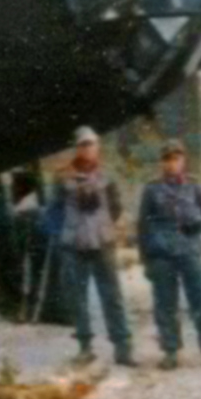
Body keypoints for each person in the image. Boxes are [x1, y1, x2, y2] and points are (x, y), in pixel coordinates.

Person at [137, 139, 201, 369]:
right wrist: (146, 259)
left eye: (176, 158)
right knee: (165, 306)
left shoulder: (194, 187)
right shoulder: (152, 189)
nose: (171, 163)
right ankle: (170, 352)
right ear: (161, 162)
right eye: (167, 159)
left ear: (183, 160)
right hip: (162, 253)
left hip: (190, 251)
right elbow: (142, 226)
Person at [49, 125, 133, 365]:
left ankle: (122, 347)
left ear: (98, 147)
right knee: (78, 298)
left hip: (102, 244)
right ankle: (85, 347)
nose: (87, 149)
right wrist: (61, 235)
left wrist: (104, 226)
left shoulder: (107, 176)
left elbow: (116, 206)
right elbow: (53, 211)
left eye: (91, 144)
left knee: (112, 296)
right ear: (76, 148)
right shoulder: (62, 176)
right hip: (74, 245)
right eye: (82, 145)